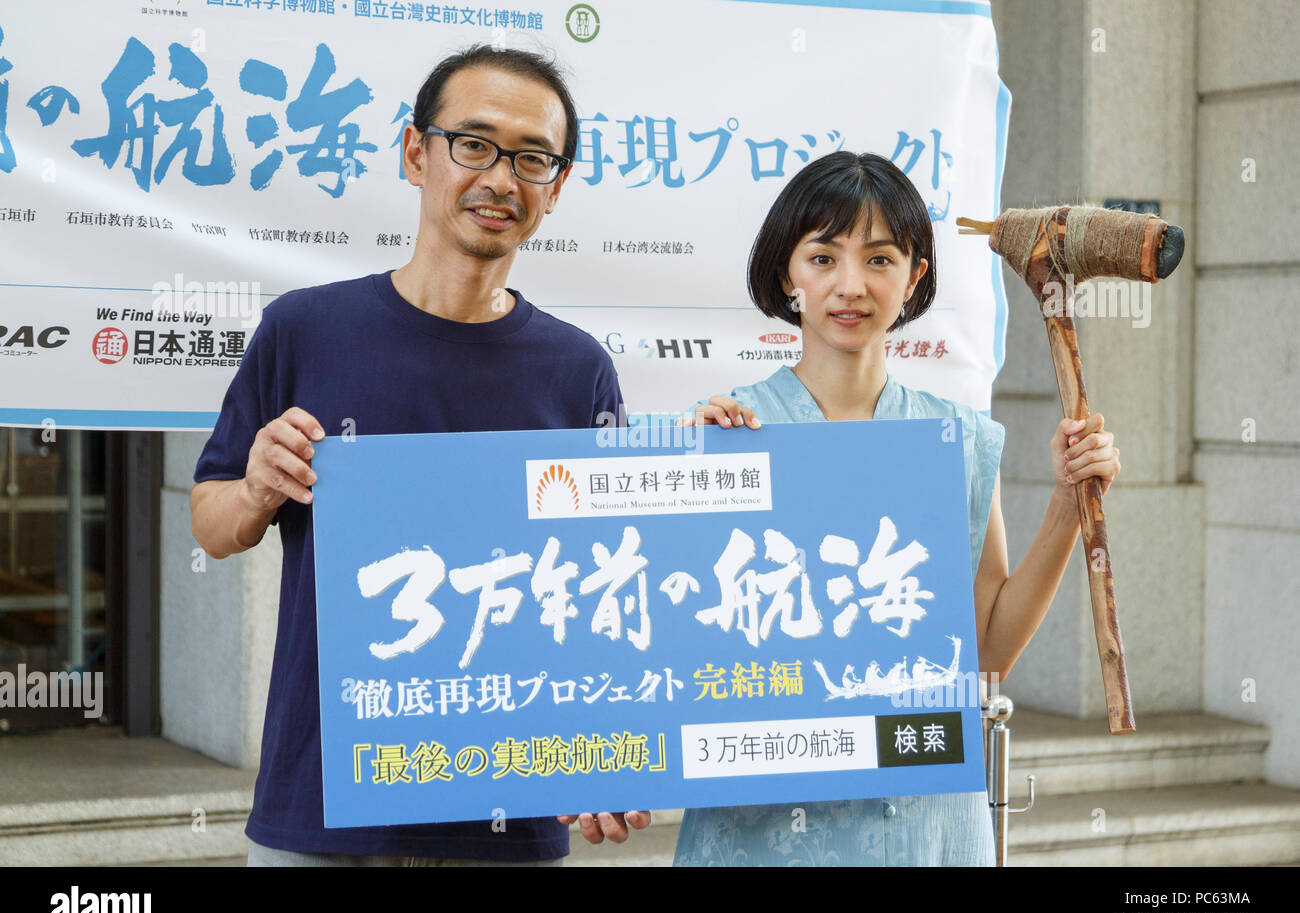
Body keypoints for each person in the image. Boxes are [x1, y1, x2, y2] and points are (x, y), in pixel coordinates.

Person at [190, 44, 648, 866]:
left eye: (532, 157)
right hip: (323, 801)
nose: (501, 179)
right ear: (416, 153)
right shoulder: (304, 330)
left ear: (557, 185)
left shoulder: (579, 371)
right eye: (474, 144)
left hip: (509, 808)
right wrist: (257, 486)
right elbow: (212, 524)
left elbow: (599, 591)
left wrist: (609, 752)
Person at [672, 151, 1120, 866]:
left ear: (914, 276)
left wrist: (1068, 506)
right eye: (823, 257)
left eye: (880, 259)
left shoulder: (956, 438)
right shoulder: (728, 432)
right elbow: (679, 653)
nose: (851, 286)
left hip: (923, 823)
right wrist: (684, 478)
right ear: (788, 273)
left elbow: (984, 653)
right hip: (761, 823)